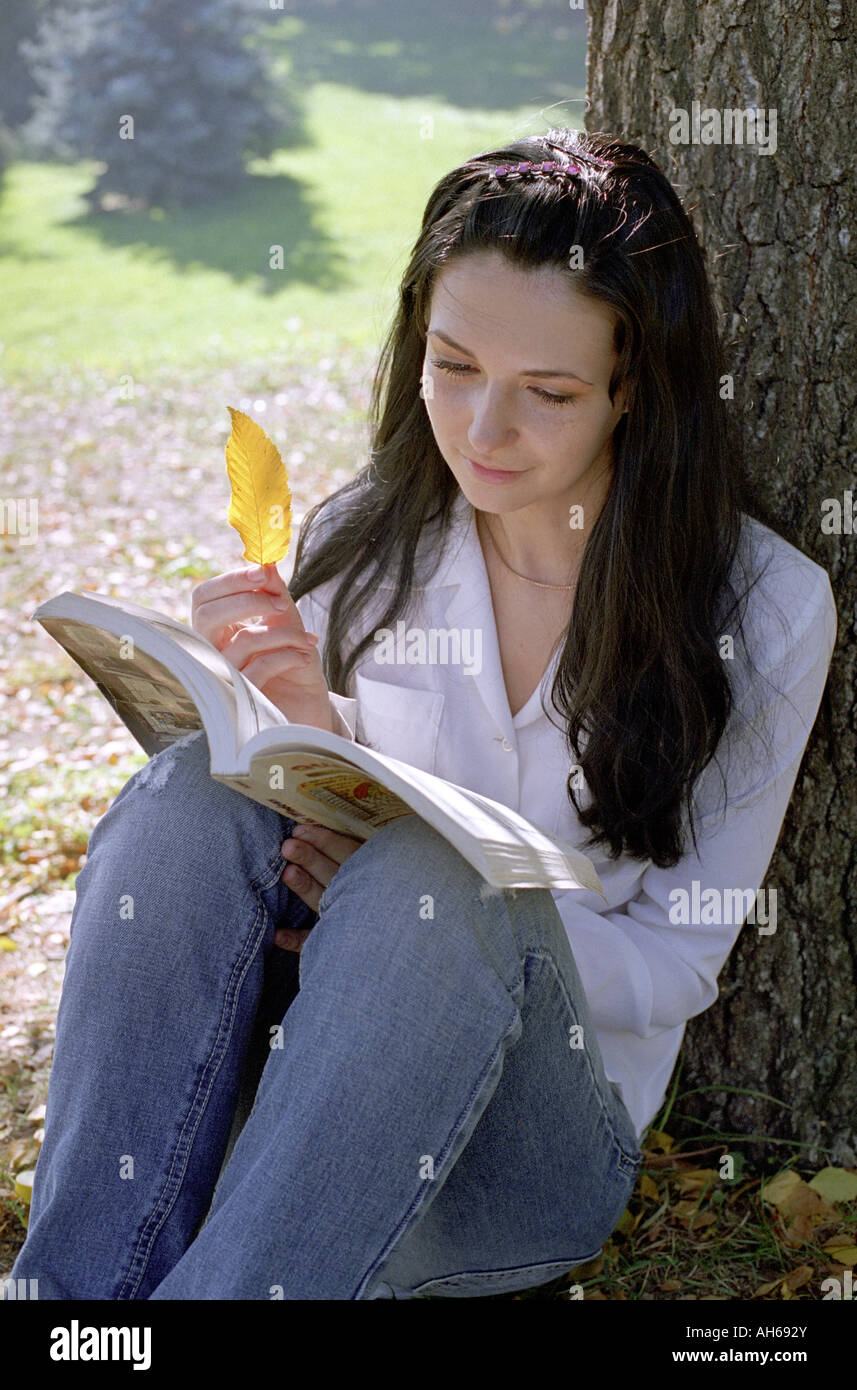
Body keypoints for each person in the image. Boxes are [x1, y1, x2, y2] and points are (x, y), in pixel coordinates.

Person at [11, 129, 837, 1301]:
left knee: (435, 887)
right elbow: (297, 819)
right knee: (182, 793)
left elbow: (671, 964)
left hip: (523, 1146)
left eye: (546, 393)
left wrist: (423, 894)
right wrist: (297, 715)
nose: (482, 433)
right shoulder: (364, 537)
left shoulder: (762, 610)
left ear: (632, 392)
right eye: (452, 367)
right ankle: (75, 1306)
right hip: (298, 1086)